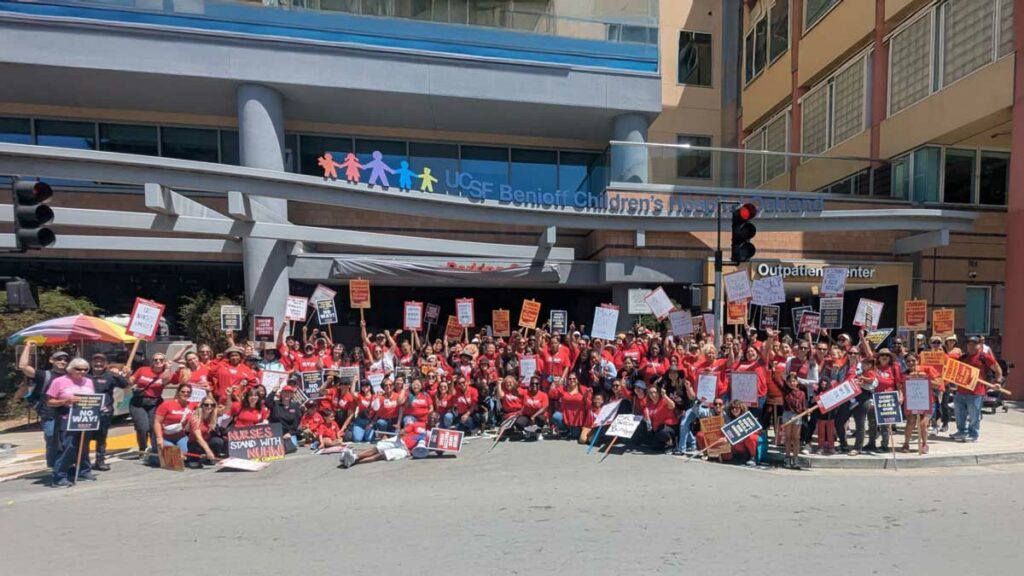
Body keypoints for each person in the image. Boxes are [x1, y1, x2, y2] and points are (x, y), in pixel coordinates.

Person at [47, 357, 97, 487]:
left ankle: (84, 470)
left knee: (83, 446)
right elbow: (49, 402)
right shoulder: (59, 381)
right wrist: (65, 402)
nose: (82, 372)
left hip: (86, 418)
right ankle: (59, 476)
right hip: (66, 419)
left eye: (85, 369)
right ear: (70, 369)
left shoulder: (89, 382)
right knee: (67, 447)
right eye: (78, 369)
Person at [17, 344, 69, 467]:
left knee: (66, 440)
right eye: (59, 359)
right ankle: (53, 465)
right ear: (52, 360)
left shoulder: (71, 376)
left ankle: (66, 465)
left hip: (67, 414)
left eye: (65, 360)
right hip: (49, 414)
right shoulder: (44, 375)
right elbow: (23, 366)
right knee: (52, 437)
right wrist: (28, 346)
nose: (62, 361)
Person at [338, 412, 440, 469]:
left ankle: (354, 462)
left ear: (437, 421)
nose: (432, 419)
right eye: (430, 417)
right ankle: (355, 457)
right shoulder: (419, 424)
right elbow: (406, 429)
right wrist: (402, 432)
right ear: (428, 418)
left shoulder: (438, 434)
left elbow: (440, 451)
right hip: (400, 441)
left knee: (382, 456)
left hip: (406, 451)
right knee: (378, 448)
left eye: (434, 418)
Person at [952, 336, 1003, 443]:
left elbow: (998, 369)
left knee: (974, 415)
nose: (971, 346)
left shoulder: (984, 357)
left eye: (974, 344)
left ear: (980, 345)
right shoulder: (963, 357)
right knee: (959, 414)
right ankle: (962, 431)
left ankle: (973, 434)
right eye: (969, 344)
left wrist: (998, 382)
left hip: (976, 392)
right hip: (961, 391)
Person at [155, 384, 217, 466]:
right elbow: (157, 422)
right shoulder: (166, 405)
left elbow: (210, 404)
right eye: (183, 391)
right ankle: (154, 454)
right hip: (165, 437)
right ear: (178, 392)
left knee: (184, 458)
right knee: (172, 461)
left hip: (180, 437)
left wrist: (208, 392)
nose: (185, 394)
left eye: (188, 392)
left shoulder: (192, 405)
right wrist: (159, 438)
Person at [88, 353, 129, 471]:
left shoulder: (109, 376)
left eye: (101, 362)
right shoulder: (85, 376)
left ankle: (100, 461)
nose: (98, 364)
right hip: (86, 413)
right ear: (91, 363)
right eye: (96, 361)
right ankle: (83, 462)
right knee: (84, 438)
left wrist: (119, 376)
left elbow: (125, 385)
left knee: (101, 438)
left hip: (104, 413)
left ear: (106, 364)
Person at [129, 352, 174, 453]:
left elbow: (164, 381)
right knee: (142, 427)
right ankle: (142, 449)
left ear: (165, 362)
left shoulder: (167, 373)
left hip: (154, 403)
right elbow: (131, 381)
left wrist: (167, 368)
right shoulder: (142, 370)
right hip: (139, 402)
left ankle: (155, 450)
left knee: (154, 428)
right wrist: (128, 376)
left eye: (161, 360)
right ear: (152, 362)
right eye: (155, 360)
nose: (158, 361)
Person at [781, 373, 807, 469]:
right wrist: (774, 371)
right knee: (788, 437)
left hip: (797, 416)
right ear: (787, 382)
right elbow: (777, 380)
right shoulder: (785, 391)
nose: (792, 383)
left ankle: (795, 458)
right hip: (787, 414)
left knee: (796, 438)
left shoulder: (802, 393)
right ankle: (787, 457)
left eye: (794, 381)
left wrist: (806, 412)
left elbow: (803, 405)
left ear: (797, 382)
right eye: (790, 381)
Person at [269, 385, 303, 452]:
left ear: (292, 395)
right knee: (276, 450)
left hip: (288, 434)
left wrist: (290, 433)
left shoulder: (295, 406)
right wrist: (273, 392)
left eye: (289, 393)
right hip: (275, 434)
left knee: (291, 448)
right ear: (281, 394)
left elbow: (296, 423)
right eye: (285, 392)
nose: (287, 394)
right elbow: (267, 402)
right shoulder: (275, 404)